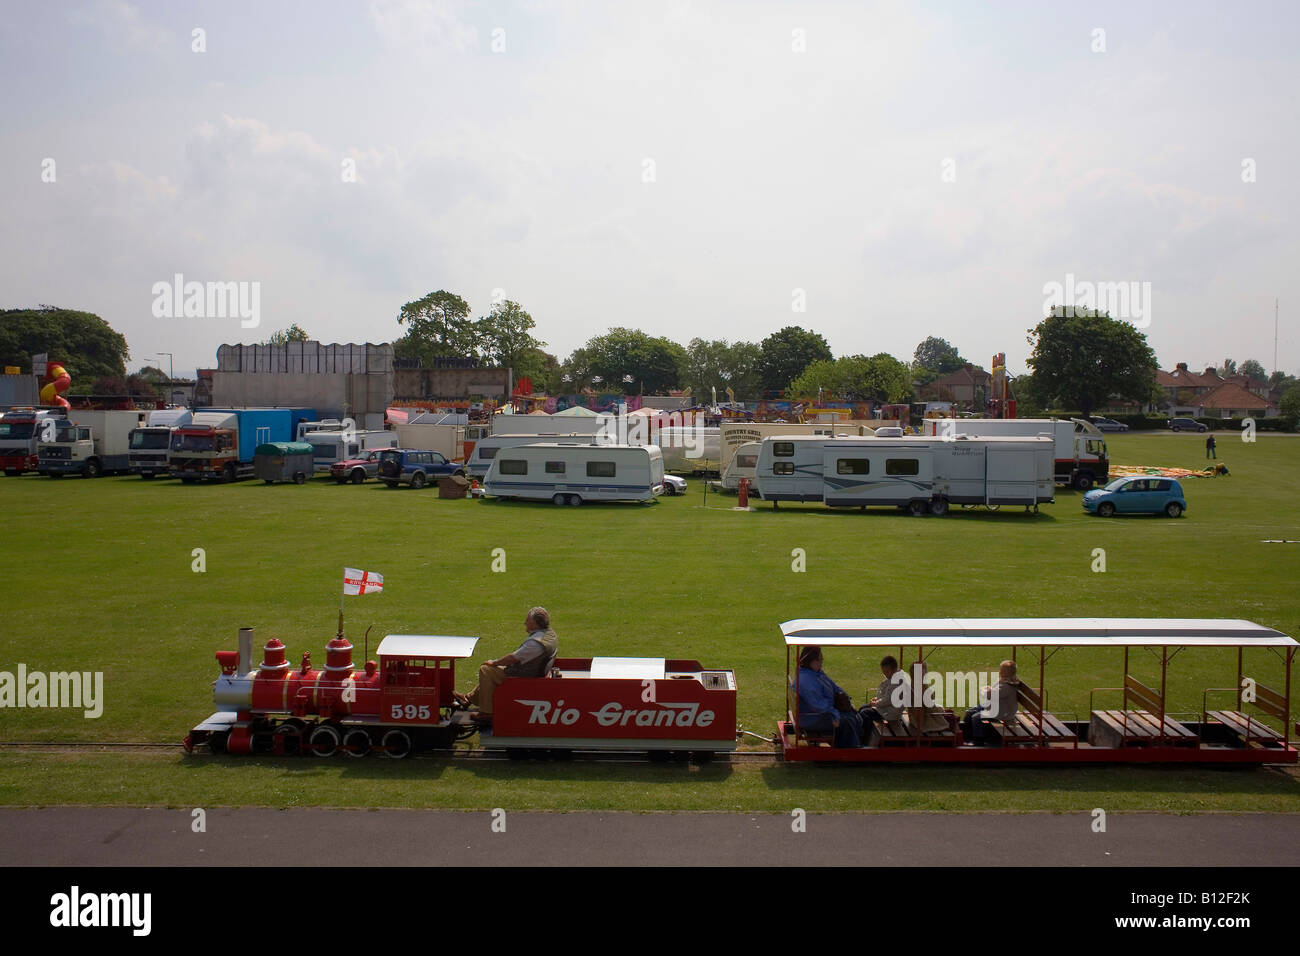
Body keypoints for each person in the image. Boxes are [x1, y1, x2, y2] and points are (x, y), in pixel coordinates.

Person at [455, 607, 558, 726]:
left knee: (486, 670)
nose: (525, 622)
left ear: (534, 624)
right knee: (493, 671)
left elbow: (512, 658)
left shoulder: (535, 644)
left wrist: (494, 662)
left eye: (528, 620)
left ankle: (487, 713)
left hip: (524, 679)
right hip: (532, 672)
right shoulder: (550, 634)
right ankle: (468, 699)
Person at [793, 646, 862, 748]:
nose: (821, 662)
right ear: (811, 661)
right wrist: (836, 713)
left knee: (856, 716)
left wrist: (846, 698)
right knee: (848, 720)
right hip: (813, 718)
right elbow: (817, 705)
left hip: (821, 713)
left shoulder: (816, 672)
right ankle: (849, 749)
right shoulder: (807, 681)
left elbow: (833, 686)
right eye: (819, 659)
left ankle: (856, 743)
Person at [962, 660, 1019, 744]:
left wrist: (983, 690)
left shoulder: (1007, 686)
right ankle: (966, 736)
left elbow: (988, 694)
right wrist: (988, 690)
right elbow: (991, 690)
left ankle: (978, 740)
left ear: (1007, 672)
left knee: (976, 717)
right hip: (996, 706)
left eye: (1002, 670)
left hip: (1002, 712)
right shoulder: (1005, 681)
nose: (1000, 671)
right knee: (970, 711)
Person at [857, 656, 909, 735]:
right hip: (887, 707)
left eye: (887, 672)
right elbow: (887, 694)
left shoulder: (897, 681)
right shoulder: (894, 677)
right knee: (862, 708)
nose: (885, 674)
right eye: (884, 672)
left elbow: (889, 699)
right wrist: (877, 699)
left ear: (894, 669)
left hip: (891, 712)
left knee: (865, 713)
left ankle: (863, 737)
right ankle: (860, 733)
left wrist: (876, 703)